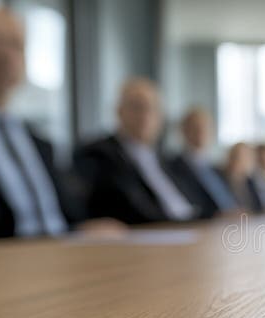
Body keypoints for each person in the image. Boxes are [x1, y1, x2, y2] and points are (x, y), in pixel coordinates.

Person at [0, 6, 122, 239]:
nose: (5, 53)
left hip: (59, 259)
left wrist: (82, 230)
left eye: (16, 45)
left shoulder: (38, 142)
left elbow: (63, 218)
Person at [75, 77, 202, 224]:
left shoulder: (165, 160)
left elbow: (191, 205)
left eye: (153, 108)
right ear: (119, 111)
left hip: (190, 229)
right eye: (137, 107)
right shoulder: (99, 154)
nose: (145, 116)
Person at [167, 107, 237, 217]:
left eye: (206, 127)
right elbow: (185, 206)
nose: (201, 131)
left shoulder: (216, 169)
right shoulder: (172, 167)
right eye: (195, 127)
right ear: (183, 130)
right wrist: (215, 215)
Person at [224, 142, 262, 213]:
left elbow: (258, 207)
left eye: (246, 157)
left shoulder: (249, 181)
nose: (241, 160)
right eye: (237, 156)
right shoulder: (220, 179)